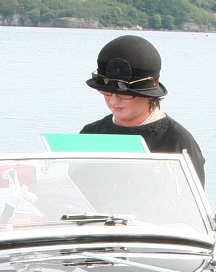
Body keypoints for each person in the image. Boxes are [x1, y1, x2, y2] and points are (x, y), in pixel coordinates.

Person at [81, 35, 206, 184]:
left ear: (147, 94)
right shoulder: (91, 134)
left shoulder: (177, 141)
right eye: (106, 92)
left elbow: (190, 203)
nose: (114, 100)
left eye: (125, 94)